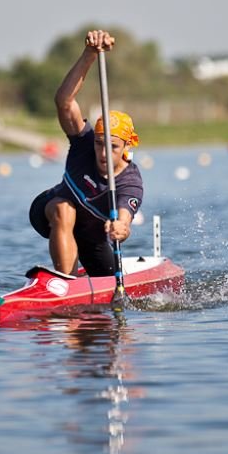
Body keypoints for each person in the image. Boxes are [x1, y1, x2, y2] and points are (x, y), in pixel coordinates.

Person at [29, 29, 143, 277]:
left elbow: (124, 220)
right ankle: (66, 283)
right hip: (51, 208)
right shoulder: (83, 142)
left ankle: (80, 282)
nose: (102, 152)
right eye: (99, 143)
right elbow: (64, 102)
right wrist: (89, 54)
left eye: (112, 146)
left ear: (126, 147)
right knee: (63, 209)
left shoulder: (130, 182)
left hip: (93, 237)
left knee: (106, 276)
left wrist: (121, 229)